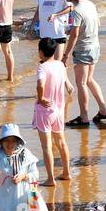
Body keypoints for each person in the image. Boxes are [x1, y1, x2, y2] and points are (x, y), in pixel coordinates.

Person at [61, 0, 106, 127]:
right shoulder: (90, 4)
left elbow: (75, 35)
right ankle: (103, 109)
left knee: (81, 83)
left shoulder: (76, 10)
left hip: (82, 49)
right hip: (95, 46)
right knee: (89, 79)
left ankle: (83, 117)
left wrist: (66, 54)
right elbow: (97, 23)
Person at [32, 38, 70, 185]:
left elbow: (40, 84)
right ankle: (66, 172)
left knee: (46, 146)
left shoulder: (42, 67)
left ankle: (50, 178)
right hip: (59, 110)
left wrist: (41, 98)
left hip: (45, 111)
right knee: (61, 143)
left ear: (41, 52)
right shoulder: (60, 65)